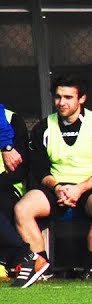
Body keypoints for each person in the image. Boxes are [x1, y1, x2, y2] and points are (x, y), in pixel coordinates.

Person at [10, 76, 92, 288]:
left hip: (89, 186)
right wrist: (58, 187)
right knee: (22, 208)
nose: (62, 102)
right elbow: (39, 168)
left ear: (82, 98)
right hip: (56, 186)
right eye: (58, 97)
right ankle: (41, 266)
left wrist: (79, 188)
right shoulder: (43, 127)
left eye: (68, 97)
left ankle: (91, 268)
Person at [0, 102, 32, 282]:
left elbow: (20, 168)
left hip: (7, 183)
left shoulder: (11, 119)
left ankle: (23, 256)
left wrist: (6, 147)